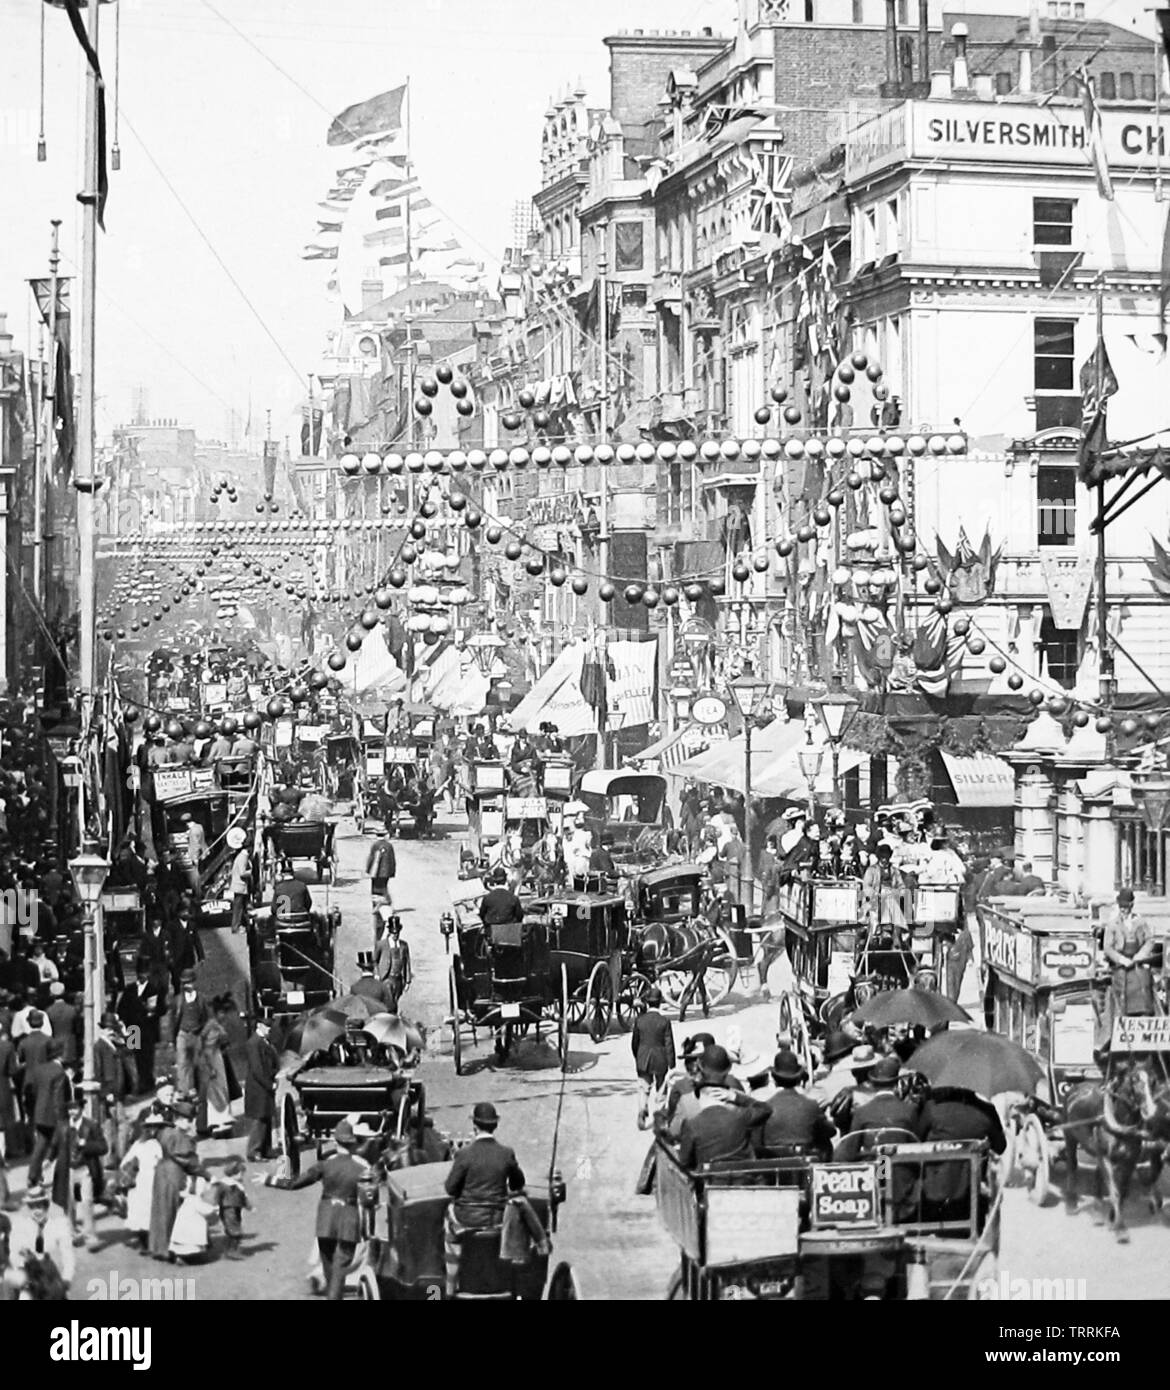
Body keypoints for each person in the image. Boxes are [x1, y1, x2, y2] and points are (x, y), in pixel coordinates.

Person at [266, 1118, 372, 1300]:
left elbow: (295, 1183)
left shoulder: (325, 1165)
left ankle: (333, 1295)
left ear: (336, 1141)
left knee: (329, 1267)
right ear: (354, 1143)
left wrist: (271, 1180)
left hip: (325, 1220)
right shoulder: (362, 1168)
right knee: (341, 1268)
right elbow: (369, 1200)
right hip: (349, 1220)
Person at [443, 1102, 526, 1298]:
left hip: (467, 1220)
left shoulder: (464, 1154)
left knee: (447, 1218)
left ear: (475, 1126)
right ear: (495, 1125)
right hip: (498, 1220)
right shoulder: (506, 1153)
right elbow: (518, 1183)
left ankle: (449, 1282)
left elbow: (450, 1188)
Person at [675, 1046, 771, 1169]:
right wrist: (735, 1097)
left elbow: (683, 1160)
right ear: (728, 1069)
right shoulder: (739, 1113)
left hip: (709, 1180)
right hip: (743, 1179)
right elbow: (765, 1109)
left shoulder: (689, 1114)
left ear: (700, 1068)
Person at [148, 1101, 202, 1260]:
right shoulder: (181, 1137)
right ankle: (175, 1249)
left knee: (161, 1209)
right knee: (176, 1210)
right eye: (187, 1120)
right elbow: (187, 1160)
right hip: (175, 1173)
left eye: (191, 1119)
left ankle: (159, 1247)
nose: (190, 1123)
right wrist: (203, 1174)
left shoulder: (166, 1132)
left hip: (161, 1172)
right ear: (178, 1119)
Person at [758, 1050, 836, 1159]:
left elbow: (757, 1143)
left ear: (774, 1079)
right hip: (805, 1162)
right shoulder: (811, 1105)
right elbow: (830, 1131)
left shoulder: (765, 1107)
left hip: (774, 1166)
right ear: (798, 1078)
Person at [53, 1094, 106, 1252]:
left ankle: (91, 1237)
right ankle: (72, 1234)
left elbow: (104, 1147)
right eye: (70, 1109)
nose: (72, 1112)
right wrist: (48, 1160)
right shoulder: (62, 1126)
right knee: (68, 1204)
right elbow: (54, 1146)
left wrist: (86, 1145)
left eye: (75, 1108)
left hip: (85, 1170)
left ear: (81, 1109)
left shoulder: (91, 1125)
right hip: (68, 1170)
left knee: (87, 1202)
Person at [838, 1056, 921, 1156]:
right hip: (901, 1167)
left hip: (876, 1167)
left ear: (872, 1084)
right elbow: (917, 1145)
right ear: (896, 1084)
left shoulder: (861, 1112)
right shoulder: (909, 1110)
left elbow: (850, 1151)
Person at [5, 1184, 74, 1298]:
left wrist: (66, 1279)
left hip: (53, 1276)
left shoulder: (59, 1223)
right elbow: (13, 1252)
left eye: (39, 1206)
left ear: (46, 1206)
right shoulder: (20, 1225)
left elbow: (68, 1254)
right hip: (30, 1276)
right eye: (32, 1207)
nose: (36, 1211)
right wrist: (22, 1261)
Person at [1103, 888, 1157, 1021]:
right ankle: (1122, 1017)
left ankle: (1145, 1016)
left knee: (1144, 983)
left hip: (1138, 962)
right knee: (1122, 987)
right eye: (1121, 906)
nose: (1123, 909)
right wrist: (1121, 959)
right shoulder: (1112, 925)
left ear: (1131, 905)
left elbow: (1150, 940)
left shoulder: (1140, 922)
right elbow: (1107, 947)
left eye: (1126, 906)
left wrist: (1141, 955)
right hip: (1121, 965)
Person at [25, 1038, 70, 1187]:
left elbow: (33, 1091)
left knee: (40, 1144)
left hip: (40, 1113)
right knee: (60, 1146)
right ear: (60, 1054)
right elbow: (59, 1098)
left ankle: (33, 1175)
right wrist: (63, 1118)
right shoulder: (59, 1072)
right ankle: (56, 1173)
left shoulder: (39, 1069)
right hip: (54, 1115)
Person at [118, 1113, 166, 1250]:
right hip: (148, 1180)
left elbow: (124, 1163)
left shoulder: (139, 1143)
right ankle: (150, 1243)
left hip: (141, 1181)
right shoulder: (155, 1144)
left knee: (141, 1213)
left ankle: (146, 1243)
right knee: (148, 1211)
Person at [630, 987, 675, 1130]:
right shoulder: (664, 1021)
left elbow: (634, 1043)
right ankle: (660, 1118)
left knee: (643, 1087)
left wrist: (638, 1056)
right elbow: (669, 1044)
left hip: (643, 1059)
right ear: (660, 1003)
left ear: (647, 1003)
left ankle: (642, 1110)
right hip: (660, 1059)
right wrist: (672, 1063)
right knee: (661, 1088)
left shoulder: (640, 1020)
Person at [196, 994, 236, 1138]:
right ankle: (218, 1122)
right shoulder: (212, 1026)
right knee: (215, 1092)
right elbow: (205, 1045)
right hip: (211, 1059)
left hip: (217, 1058)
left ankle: (222, 1120)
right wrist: (209, 1066)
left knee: (221, 1091)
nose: (224, 1016)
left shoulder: (216, 1025)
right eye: (222, 1013)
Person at [244, 1017, 280, 1161]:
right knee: (259, 1120)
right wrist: (269, 1084)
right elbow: (257, 1069)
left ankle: (266, 1149)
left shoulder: (265, 1041)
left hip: (266, 1085)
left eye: (270, 1027)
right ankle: (254, 1151)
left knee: (266, 1118)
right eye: (266, 1027)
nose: (269, 1030)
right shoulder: (254, 1043)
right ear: (259, 1025)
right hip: (258, 1087)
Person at [169, 968, 208, 1096]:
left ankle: (192, 1088)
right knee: (182, 1063)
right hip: (182, 1033)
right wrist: (172, 1038)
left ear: (194, 982)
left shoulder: (201, 999)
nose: (187, 986)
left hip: (196, 1035)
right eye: (185, 983)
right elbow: (172, 1019)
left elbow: (206, 1018)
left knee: (194, 1063)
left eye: (189, 982)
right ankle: (182, 1090)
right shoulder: (178, 1000)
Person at [216, 1156, 251, 1259]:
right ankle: (232, 1251)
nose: (242, 1176)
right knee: (235, 1231)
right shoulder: (225, 1185)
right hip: (228, 1211)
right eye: (241, 1174)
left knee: (232, 1230)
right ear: (234, 1174)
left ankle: (230, 1249)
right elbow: (216, 1196)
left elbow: (243, 1198)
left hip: (235, 1210)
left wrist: (248, 1206)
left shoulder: (236, 1185)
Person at [366, 831, 397, 940]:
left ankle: (376, 905)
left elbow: (370, 858)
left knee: (374, 889)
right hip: (386, 873)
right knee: (384, 888)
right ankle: (384, 903)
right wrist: (392, 872)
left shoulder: (375, 845)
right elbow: (392, 861)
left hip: (375, 873)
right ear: (385, 835)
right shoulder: (389, 845)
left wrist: (368, 870)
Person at [376, 921, 412, 1010]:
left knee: (395, 1001)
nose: (395, 935)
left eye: (397, 933)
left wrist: (407, 981)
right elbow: (374, 960)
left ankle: (394, 1016)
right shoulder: (382, 944)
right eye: (393, 933)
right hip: (386, 978)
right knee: (388, 1002)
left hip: (398, 979)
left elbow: (407, 962)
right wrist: (377, 974)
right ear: (389, 932)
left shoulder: (404, 945)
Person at [226, 827, 252, 935]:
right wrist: (251, 872)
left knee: (243, 907)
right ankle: (235, 927)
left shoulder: (240, 855)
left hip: (239, 885)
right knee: (238, 909)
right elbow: (242, 873)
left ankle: (243, 925)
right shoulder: (243, 857)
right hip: (240, 886)